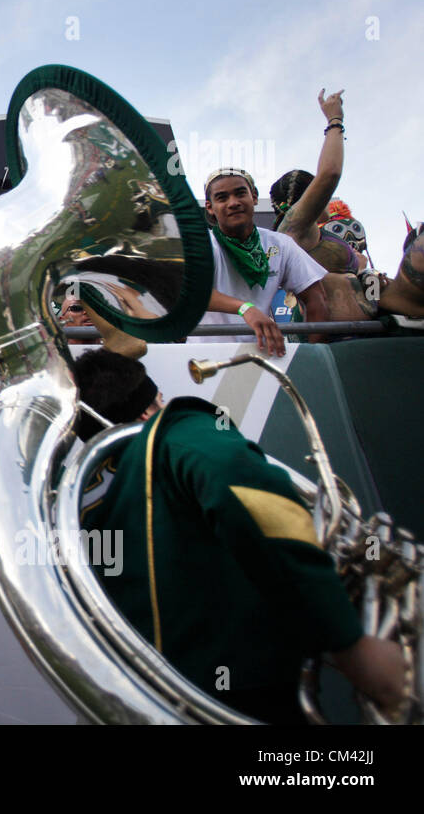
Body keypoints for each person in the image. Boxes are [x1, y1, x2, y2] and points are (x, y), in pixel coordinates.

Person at [73, 349, 406, 723]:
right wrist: (350, 643)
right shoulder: (179, 432)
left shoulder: (82, 498)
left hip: (141, 698)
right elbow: (261, 510)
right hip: (238, 693)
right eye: (160, 398)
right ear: (148, 409)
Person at [195, 168, 329, 356]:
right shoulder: (201, 244)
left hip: (264, 356)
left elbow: (316, 297)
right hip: (206, 356)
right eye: (222, 198)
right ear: (210, 207)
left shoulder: (280, 244)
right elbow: (193, 294)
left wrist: (312, 354)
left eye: (240, 193)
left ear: (254, 197)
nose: (233, 203)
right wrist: (245, 308)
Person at [270, 88, 366, 275]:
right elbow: (330, 173)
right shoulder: (296, 227)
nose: (327, 199)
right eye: (322, 191)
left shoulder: (310, 231)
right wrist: (335, 120)